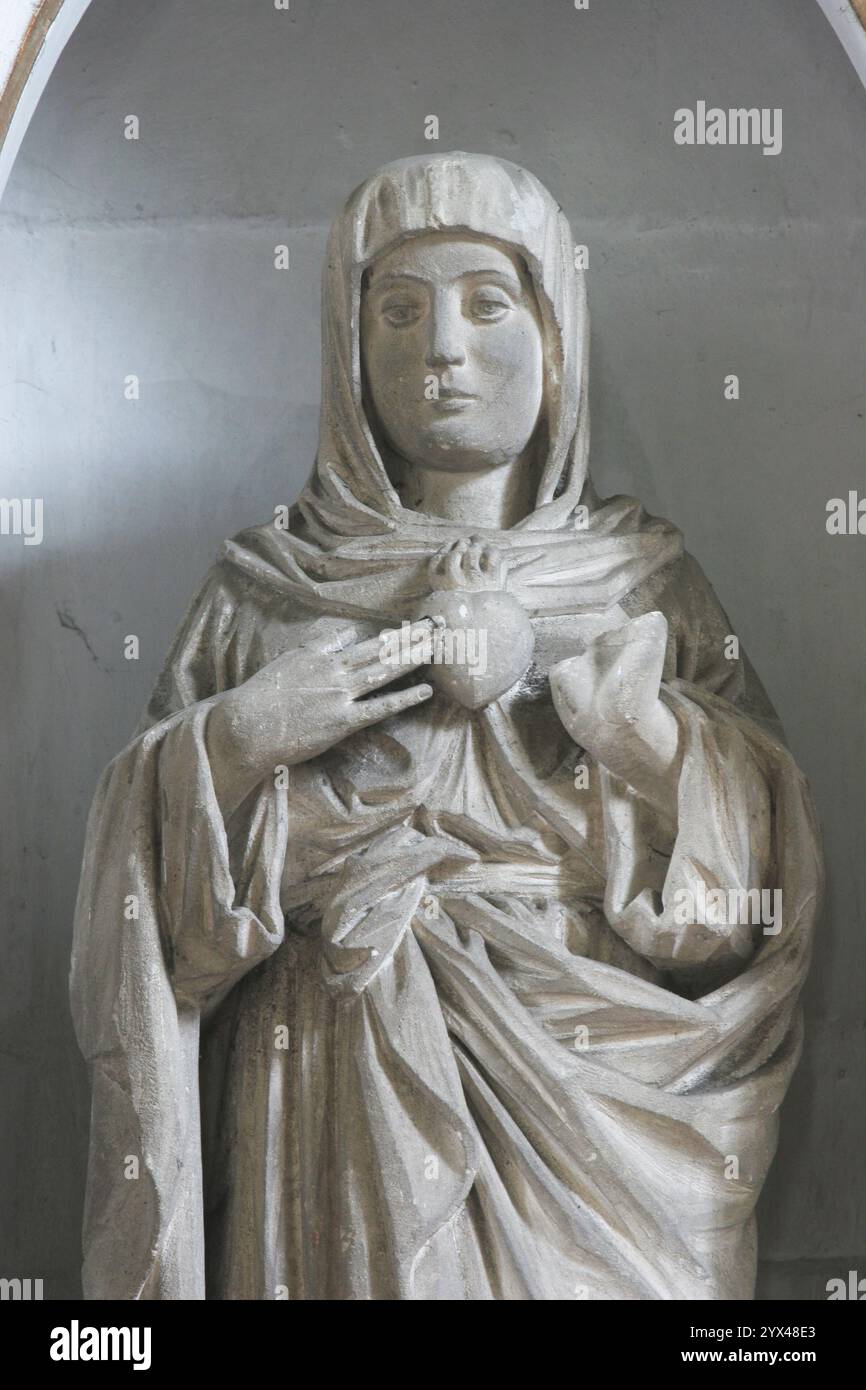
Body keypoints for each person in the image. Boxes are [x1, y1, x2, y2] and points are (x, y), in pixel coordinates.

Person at [70, 151, 822, 1300]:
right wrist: (234, 741)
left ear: (555, 331)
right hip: (328, 1082)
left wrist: (644, 742)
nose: (442, 351)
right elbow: (148, 924)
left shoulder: (634, 580)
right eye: (398, 310)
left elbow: (753, 900)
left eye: (486, 302)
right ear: (348, 344)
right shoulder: (269, 588)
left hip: (593, 1098)